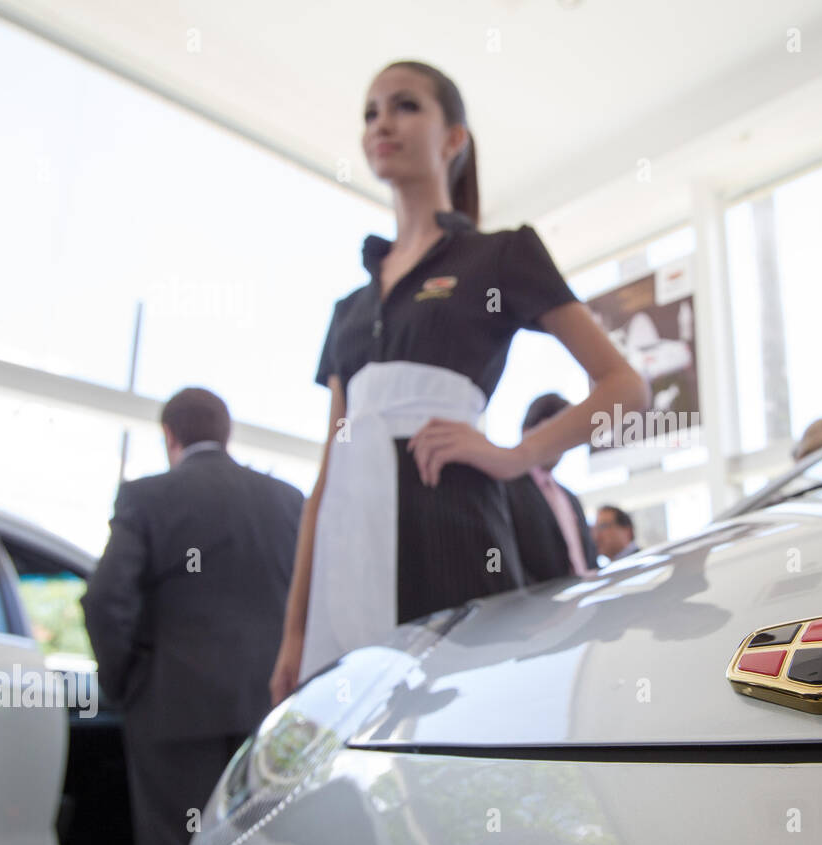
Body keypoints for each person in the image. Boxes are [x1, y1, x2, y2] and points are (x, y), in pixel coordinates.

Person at [270, 61, 647, 702]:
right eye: (370, 112)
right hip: (347, 550)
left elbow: (624, 386)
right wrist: (293, 635)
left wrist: (517, 454)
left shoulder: (499, 257)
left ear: (453, 139)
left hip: (451, 533)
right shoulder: (349, 311)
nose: (381, 122)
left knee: (458, 736)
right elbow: (325, 476)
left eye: (405, 105)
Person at [80, 388, 303, 845]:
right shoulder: (288, 501)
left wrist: (126, 685)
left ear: (169, 435)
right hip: (269, 715)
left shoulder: (146, 497)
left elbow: (104, 600)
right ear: (227, 433)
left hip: (173, 712)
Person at [506, 393, 598, 583]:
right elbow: (500, 558)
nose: (561, 443)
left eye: (566, 435)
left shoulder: (570, 498)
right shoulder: (505, 490)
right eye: (554, 431)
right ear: (527, 431)